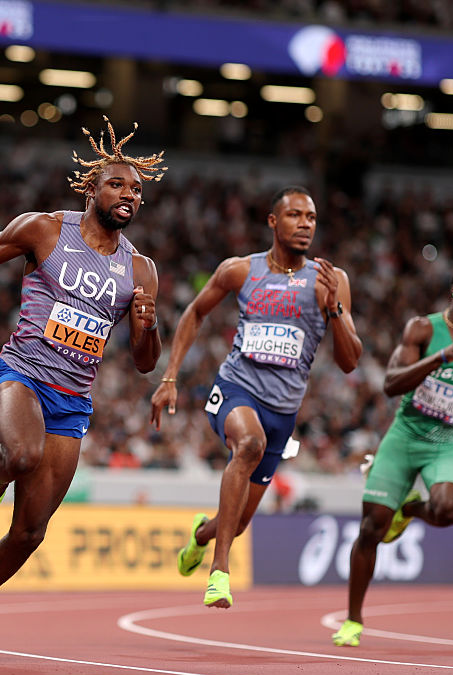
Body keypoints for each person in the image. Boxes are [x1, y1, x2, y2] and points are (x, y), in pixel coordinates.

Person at [0, 117, 166, 663]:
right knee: (22, 454)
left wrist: (149, 325)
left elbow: (145, 363)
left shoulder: (140, 270)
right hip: (22, 374)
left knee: (30, 534)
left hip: (73, 402)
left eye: (136, 189)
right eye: (117, 185)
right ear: (91, 188)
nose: (128, 195)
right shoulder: (45, 230)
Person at [150, 186, 362, 609]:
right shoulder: (240, 270)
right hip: (236, 389)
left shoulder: (331, 280)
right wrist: (170, 376)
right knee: (249, 444)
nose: (305, 224)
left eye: (311, 217)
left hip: (283, 413)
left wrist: (334, 310)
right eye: (295, 215)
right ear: (273, 221)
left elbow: (349, 361)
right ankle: (219, 571)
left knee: (239, 522)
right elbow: (195, 312)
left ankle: (202, 535)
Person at [332, 262, 453, 647]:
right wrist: (439, 358)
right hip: (405, 436)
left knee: (450, 509)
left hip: (449, 443)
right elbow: (391, 384)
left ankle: (409, 508)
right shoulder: (423, 329)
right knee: (371, 528)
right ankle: (353, 620)